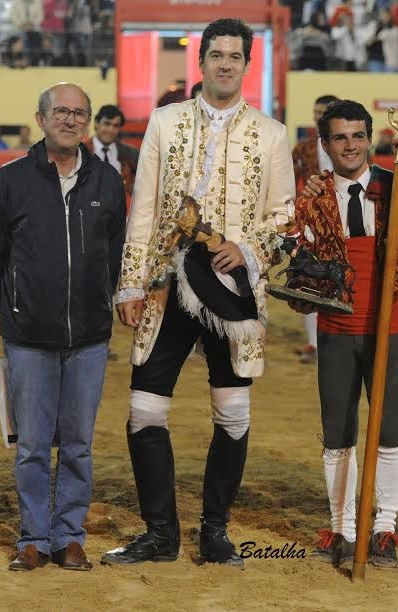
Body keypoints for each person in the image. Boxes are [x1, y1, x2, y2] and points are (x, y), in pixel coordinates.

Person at [100, 18, 294, 569]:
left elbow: (285, 217)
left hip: (231, 288)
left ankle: (215, 531)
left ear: (247, 65)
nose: (225, 64)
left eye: (235, 56)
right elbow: (143, 207)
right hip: (165, 282)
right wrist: (130, 282)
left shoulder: (272, 134)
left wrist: (247, 249)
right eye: (216, 55)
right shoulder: (165, 122)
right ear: (202, 61)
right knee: (144, 408)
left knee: (231, 412)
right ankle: (161, 534)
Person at [0, 82, 127, 571]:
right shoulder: (8, 181)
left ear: (87, 123)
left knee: (78, 446)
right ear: (40, 119)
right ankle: (34, 537)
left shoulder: (107, 182)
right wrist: (16, 309)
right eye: (60, 111)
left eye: (79, 113)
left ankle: (69, 536)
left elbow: (117, 253)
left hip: (89, 339)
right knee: (33, 447)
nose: (70, 120)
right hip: (29, 339)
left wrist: (99, 304)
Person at [293, 100, 398, 569]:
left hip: (385, 327)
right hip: (334, 329)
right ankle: (342, 529)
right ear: (325, 144)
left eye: (358, 135)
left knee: (390, 432)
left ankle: (383, 530)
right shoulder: (314, 197)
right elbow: (292, 252)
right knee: (338, 433)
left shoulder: (393, 184)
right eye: (340, 137)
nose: (350, 145)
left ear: (369, 138)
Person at [292, 94, 339, 364]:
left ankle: (334, 338)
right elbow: (290, 179)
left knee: (339, 277)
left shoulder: (346, 143)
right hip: (311, 219)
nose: (319, 116)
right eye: (317, 111)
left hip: (343, 218)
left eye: (325, 111)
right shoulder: (303, 148)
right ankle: (313, 342)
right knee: (308, 277)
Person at [83, 104, 139, 199]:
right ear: (96, 123)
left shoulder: (131, 153)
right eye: (107, 124)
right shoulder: (81, 151)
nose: (111, 130)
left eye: (115, 126)